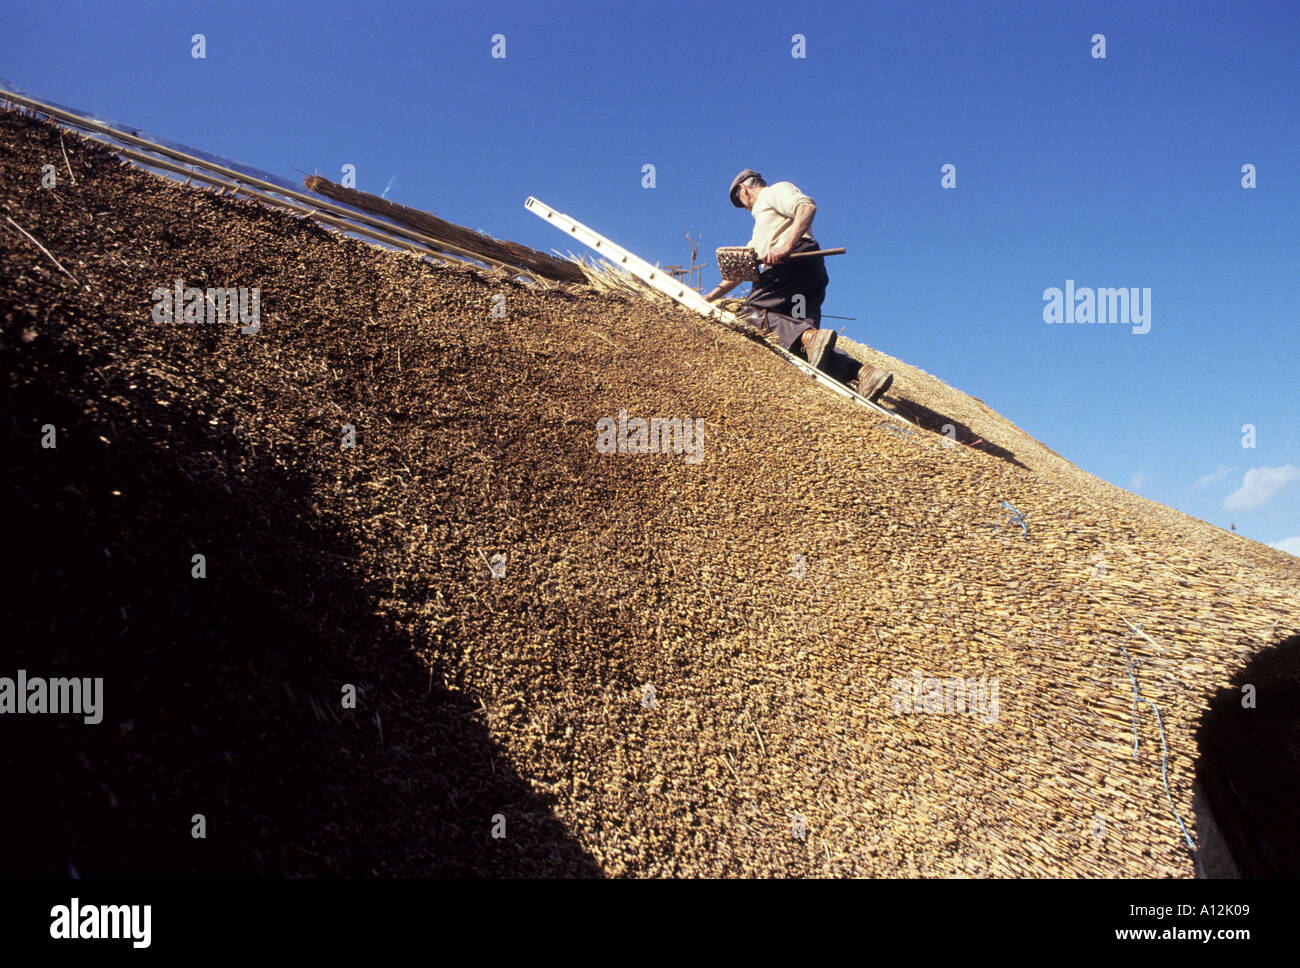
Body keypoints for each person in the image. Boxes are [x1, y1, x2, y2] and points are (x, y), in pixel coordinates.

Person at [704, 169, 893, 402]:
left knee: (749, 313)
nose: (744, 208)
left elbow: (806, 207)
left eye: (740, 201)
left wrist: (785, 246)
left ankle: (810, 338)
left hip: (794, 263)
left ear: (744, 188)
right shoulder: (760, 232)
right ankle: (864, 373)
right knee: (803, 347)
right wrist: (709, 297)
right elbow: (740, 272)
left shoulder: (773, 193)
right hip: (807, 278)